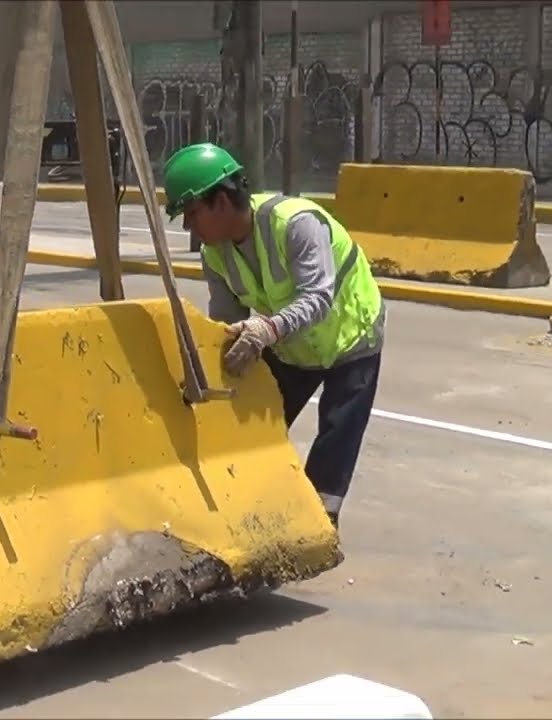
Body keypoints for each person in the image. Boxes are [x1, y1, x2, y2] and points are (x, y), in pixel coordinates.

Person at [162, 142, 386, 529]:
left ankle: (315, 524)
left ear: (221, 201)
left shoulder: (296, 223)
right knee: (253, 427)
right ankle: (247, 508)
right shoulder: (215, 254)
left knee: (338, 432)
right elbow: (227, 320)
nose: (189, 227)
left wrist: (266, 328)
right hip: (292, 347)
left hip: (352, 335)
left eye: (192, 212)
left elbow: (318, 296)